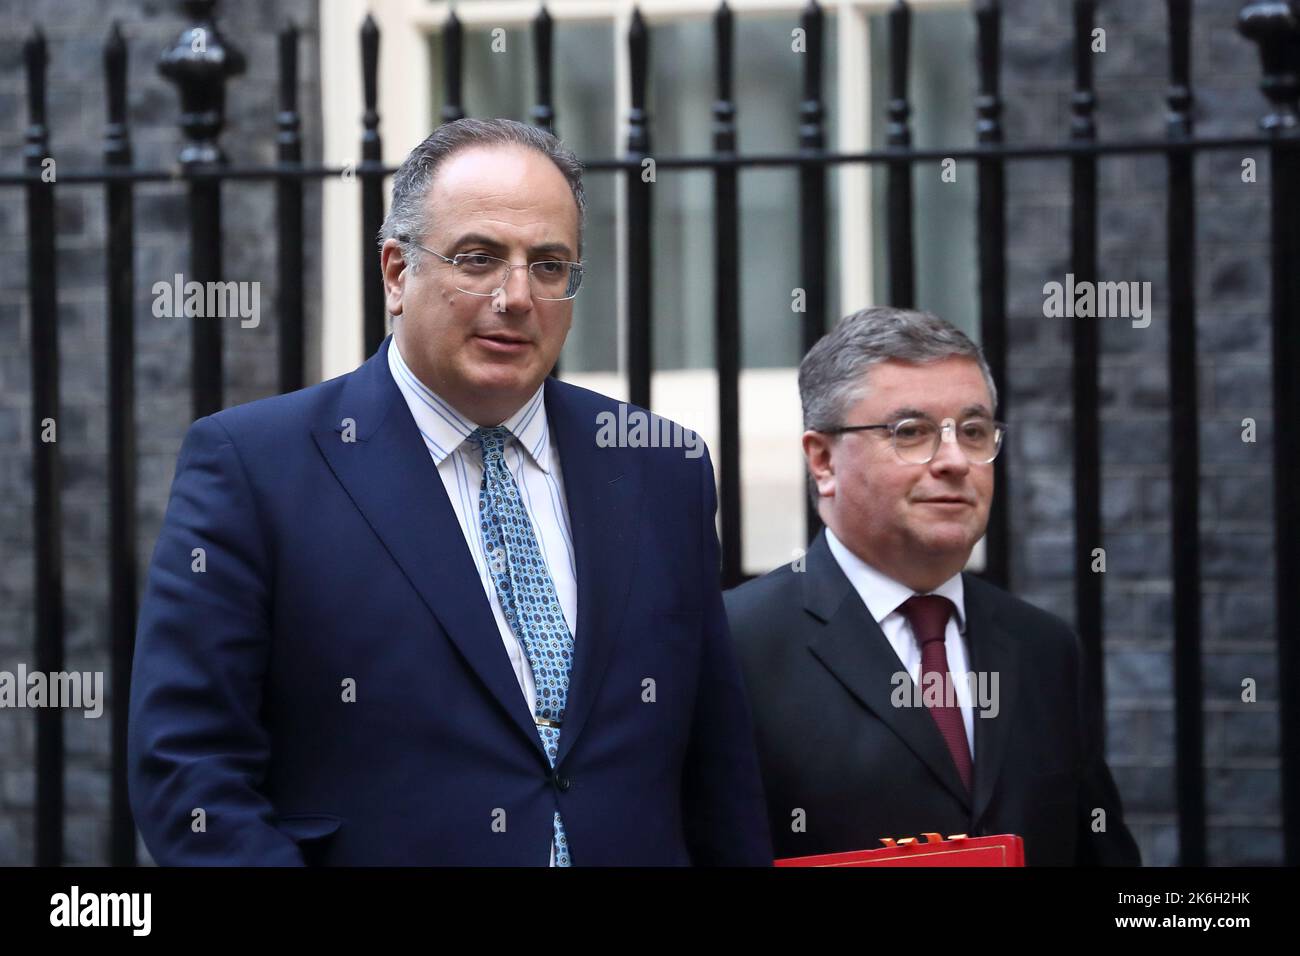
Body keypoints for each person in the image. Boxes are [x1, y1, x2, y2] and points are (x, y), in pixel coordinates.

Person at [128, 118, 772, 866]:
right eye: (479, 258)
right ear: (397, 273)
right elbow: (188, 771)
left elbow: (719, 768)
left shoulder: (663, 468)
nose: (517, 295)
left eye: (551, 265)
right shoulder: (255, 468)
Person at [724, 307, 1140, 866]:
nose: (954, 461)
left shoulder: (1043, 647)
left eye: (973, 432)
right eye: (911, 432)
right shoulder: (733, 644)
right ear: (823, 460)